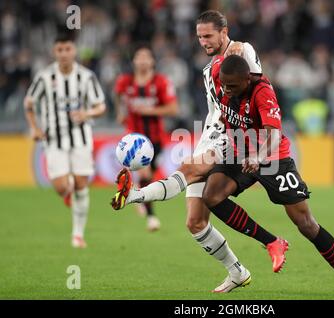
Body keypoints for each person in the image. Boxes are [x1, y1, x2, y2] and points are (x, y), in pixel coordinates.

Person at [111, 10, 288, 293]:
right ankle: (237, 272)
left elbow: (257, 82)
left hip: (231, 137)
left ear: (224, 32)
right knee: (195, 222)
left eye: (208, 36)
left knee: (189, 170)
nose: (203, 41)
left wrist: (243, 53)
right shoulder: (208, 69)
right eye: (199, 37)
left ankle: (134, 196)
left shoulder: (243, 51)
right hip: (208, 136)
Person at [201, 55, 334, 296]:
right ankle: (272, 242)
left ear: (247, 79)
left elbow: (274, 135)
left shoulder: (262, 92)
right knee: (212, 195)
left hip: (272, 158)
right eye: (224, 85)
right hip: (240, 152)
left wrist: (258, 158)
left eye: (232, 86)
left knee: (305, 223)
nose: (226, 90)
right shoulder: (221, 78)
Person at [23, 32, 106, 248]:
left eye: (67, 49)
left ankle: (77, 235)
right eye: (59, 50)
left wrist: (86, 114)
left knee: (81, 185)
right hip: (53, 140)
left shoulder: (86, 77)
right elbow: (29, 104)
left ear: (74, 50)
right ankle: (66, 191)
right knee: (62, 187)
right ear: (54, 52)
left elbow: (101, 106)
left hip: (80, 139)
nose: (64, 54)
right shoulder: (44, 77)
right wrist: (34, 128)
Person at [114, 44, 179, 231]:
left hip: (156, 138)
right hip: (135, 138)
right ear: (134, 61)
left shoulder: (161, 82)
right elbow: (117, 95)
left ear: (152, 61)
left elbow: (174, 109)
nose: (142, 60)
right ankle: (151, 218)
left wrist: (150, 110)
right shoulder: (125, 81)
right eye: (139, 57)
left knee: (149, 176)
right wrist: (120, 112)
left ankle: (137, 196)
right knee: (145, 173)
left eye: (146, 57)